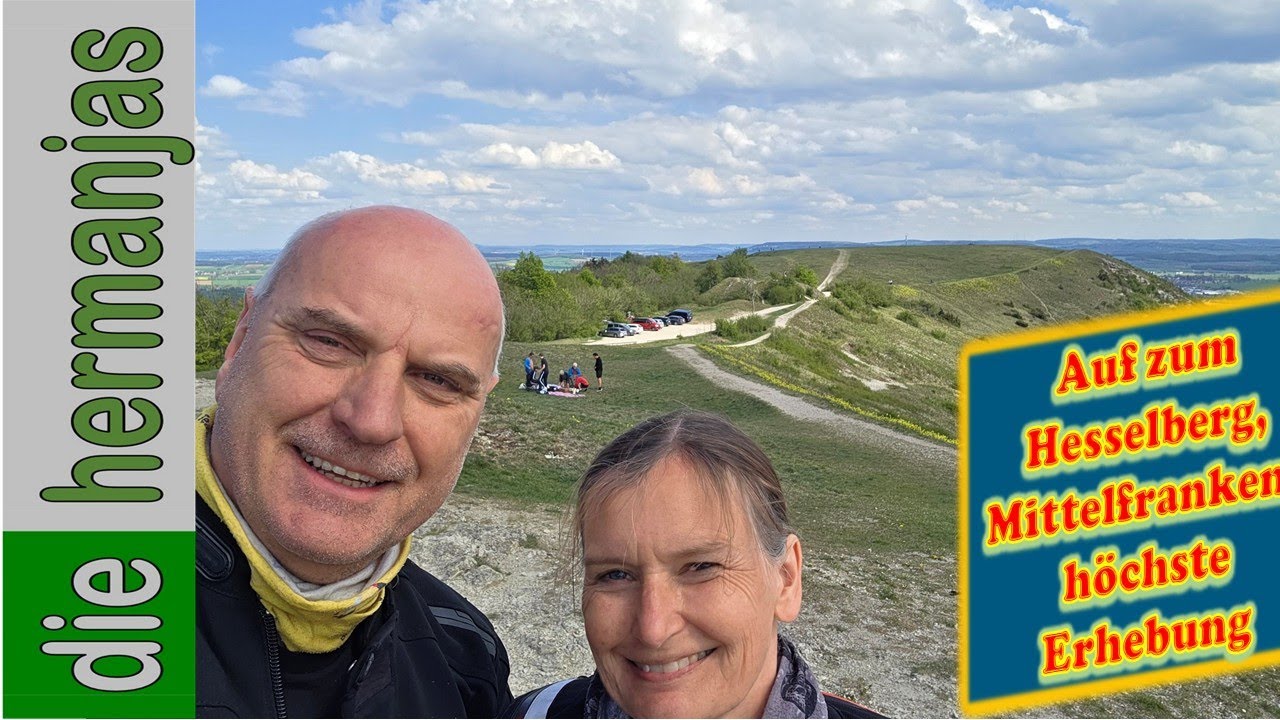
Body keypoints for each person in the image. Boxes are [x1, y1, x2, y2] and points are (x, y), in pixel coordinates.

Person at [196, 206, 513, 717]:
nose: (372, 420)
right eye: (329, 343)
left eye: (437, 381)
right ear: (239, 341)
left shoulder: (465, 653)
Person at [509, 411, 881, 719]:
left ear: (786, 579)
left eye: (701, 567)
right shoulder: (534, 713)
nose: (654, 629)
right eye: (616, 575)